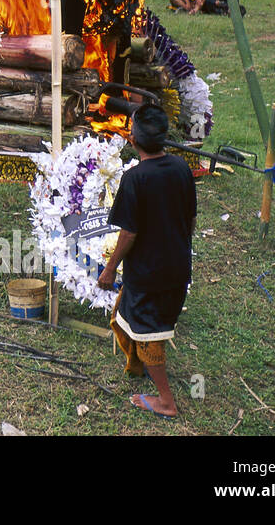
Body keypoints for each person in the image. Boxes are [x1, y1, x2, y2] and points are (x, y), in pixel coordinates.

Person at [98, 105, 196, 420]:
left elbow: (129, 234)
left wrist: (110, 268)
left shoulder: (135, 179)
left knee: (148, 331)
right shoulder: (182, 168)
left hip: (148, 272)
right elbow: (191, 220)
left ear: (132, 138)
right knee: (128, 315)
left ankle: (166, 400)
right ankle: (137, 365)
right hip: (177, 267)